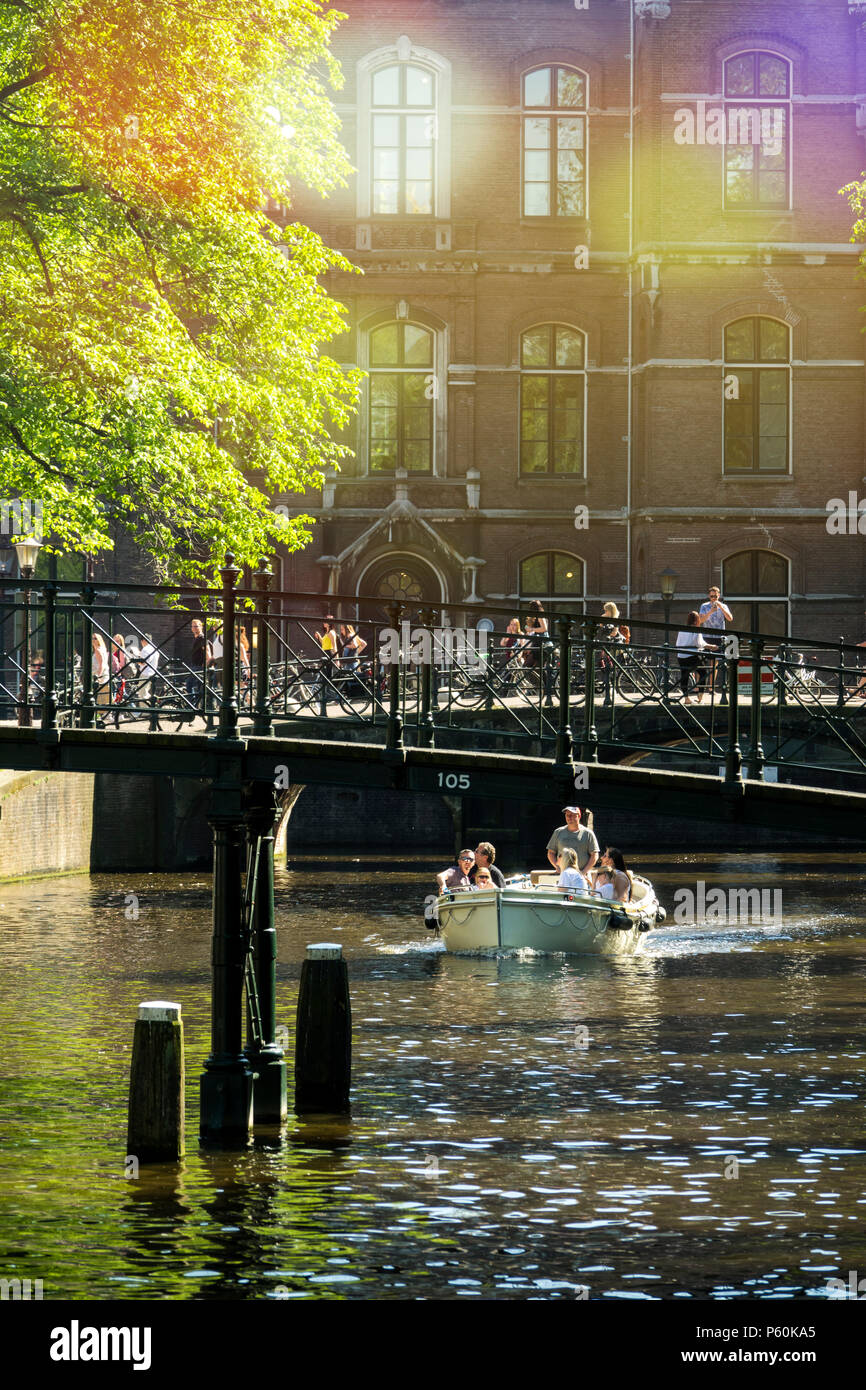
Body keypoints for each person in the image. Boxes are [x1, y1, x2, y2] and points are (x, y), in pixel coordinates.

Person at [696, 585, 733, 698]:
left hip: (718, 637)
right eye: (711, 596)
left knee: (714, 663)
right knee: (701, 663)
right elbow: (701, 620)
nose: (713, 599)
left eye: (715, 596)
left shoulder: (724, 606)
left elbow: (730, 618)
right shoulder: (704, 606)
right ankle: (699, 687)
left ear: (718, 595)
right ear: (709, 596)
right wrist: (711, 611)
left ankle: (711, 688)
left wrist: (721, 607)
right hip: (706, 636)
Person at [546, 806, 599, 874]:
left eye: (572, 815)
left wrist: (584, 871)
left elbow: (594, 855)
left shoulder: (588, 833)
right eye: (567, 815)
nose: (569, 817)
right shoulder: (558, 832)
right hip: (563, 874)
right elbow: (550, 852)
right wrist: (557, 867)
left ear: (579, 816)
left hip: (582, 874)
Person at [599, 601, 631, 706]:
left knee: (611, 667)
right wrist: (602, 621)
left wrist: (607, 630)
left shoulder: (615, 620)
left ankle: (612, 688)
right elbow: (600, 628)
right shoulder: (604, 618)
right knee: (604, 665)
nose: (604, 612)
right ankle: (608, 688)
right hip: (606, 644)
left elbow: (614, 633)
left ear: (610, 610)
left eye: (606, 610)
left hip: (614, 646)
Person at [676, 611, 710, 703]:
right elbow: (699, 643)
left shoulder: (682, 629)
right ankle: (700, 696)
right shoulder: (696, 629)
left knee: (684, 676)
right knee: (704, 673)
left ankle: (686, 698)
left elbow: (678, 643)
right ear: (697, 621)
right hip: (692, 655)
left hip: (681, 656)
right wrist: (711, 646)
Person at [92, 633, 110, 706]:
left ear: (99, 640)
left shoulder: (98, 650)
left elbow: (101, 664)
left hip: (99, 675)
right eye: (92, 638)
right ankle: (108, 713)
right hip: (105, 674)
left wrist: (98, 676)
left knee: (99, 697)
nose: (93, 640)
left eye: (95, 638)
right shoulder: (103, 649)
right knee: (104, 696)